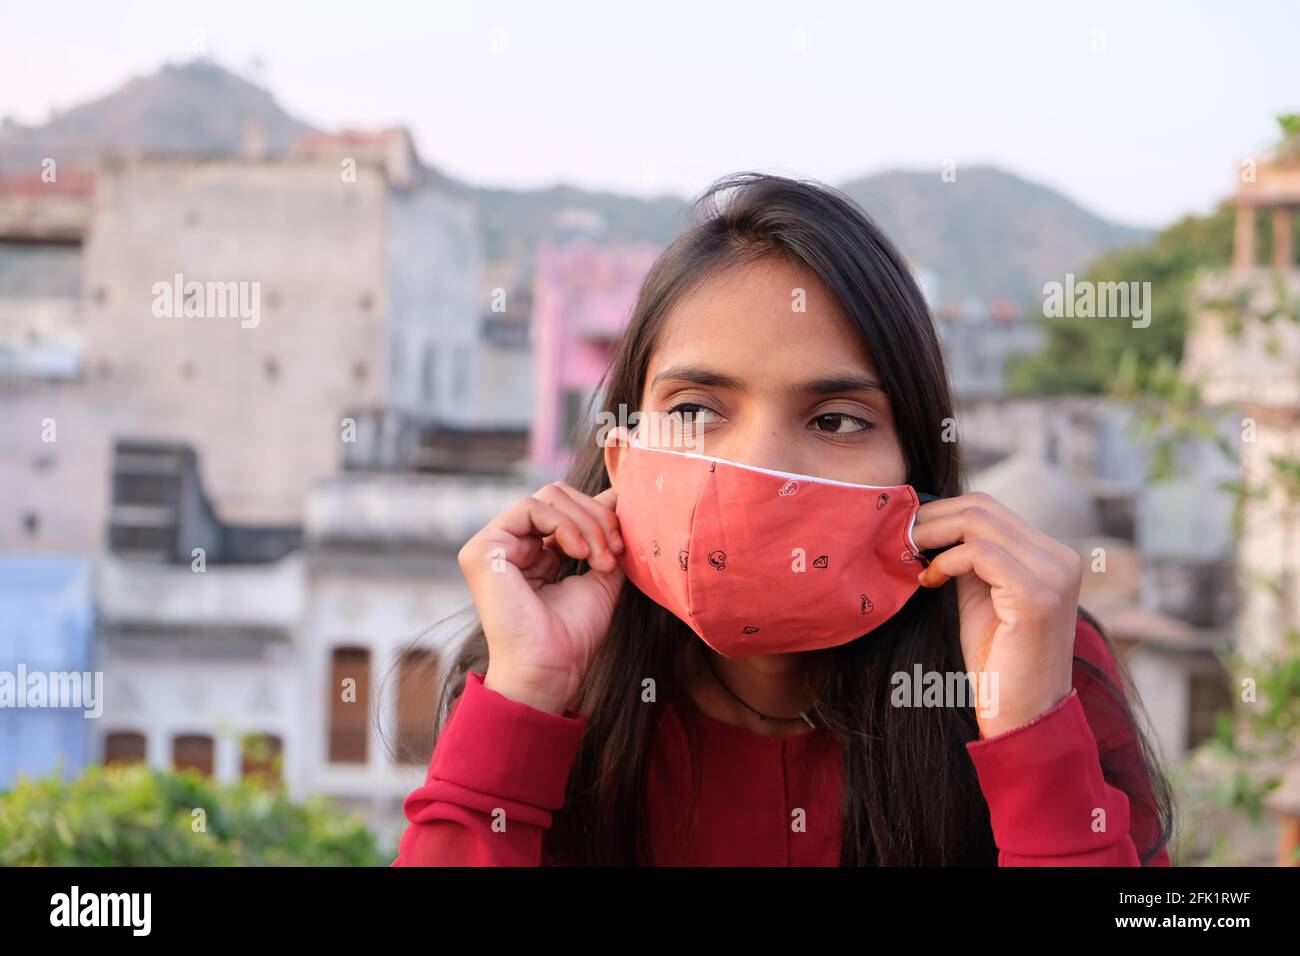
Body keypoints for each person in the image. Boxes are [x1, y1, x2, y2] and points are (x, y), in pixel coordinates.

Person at [392, 172, 1174, 866]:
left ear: (914, 469)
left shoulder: (1039, 663)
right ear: (623, 447)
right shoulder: (536, 683)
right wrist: (527, 693)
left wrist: (1030, 734)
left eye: (835, 420)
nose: (763, 469)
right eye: (696, 409)